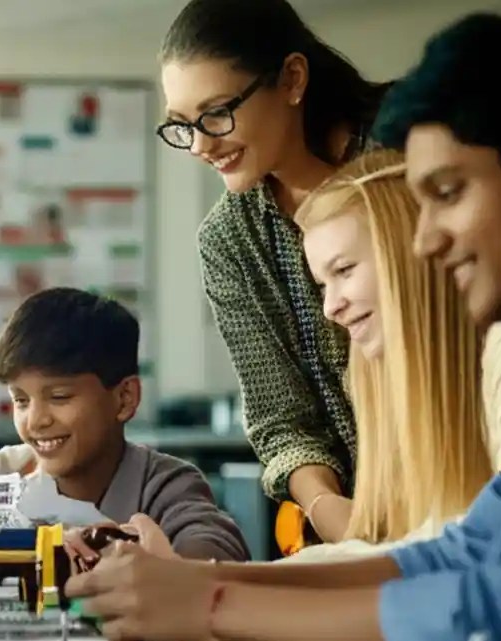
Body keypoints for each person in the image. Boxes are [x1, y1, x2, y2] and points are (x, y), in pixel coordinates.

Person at [66, 14, 501, 641]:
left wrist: (213, 605)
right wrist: (201, 588)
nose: (423, 240)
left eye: (445, 194)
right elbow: (452, 554)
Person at [157, 0, 388, 542]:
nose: (200, 145)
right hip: (352, 521)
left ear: (291, 78)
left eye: (216, 114)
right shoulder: (229, 239)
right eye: (181, 126)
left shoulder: (407, 154)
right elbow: (281, 419)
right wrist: (333, 511)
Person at [290, 148, 501, 557]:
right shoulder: (375, 379)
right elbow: (411, 549)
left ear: (411, 259)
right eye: (323, 284)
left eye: (344, 271)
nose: (330, 307)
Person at [0, 287, 249, 562]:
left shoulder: (165, 486)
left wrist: (135, 555)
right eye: (21, 400)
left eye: (59, 397)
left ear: (124, 399)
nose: (35, 420)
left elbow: (213, 553)